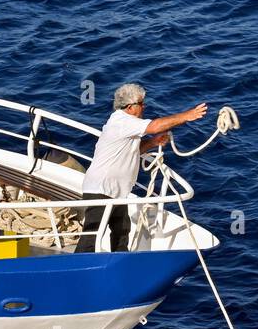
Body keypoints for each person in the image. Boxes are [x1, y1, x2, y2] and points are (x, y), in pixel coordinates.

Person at [74, 83, 207, 253]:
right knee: (91, 235)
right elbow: (155, 126)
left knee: (122, 231)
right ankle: (78, 270)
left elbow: (131, 150)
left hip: (116, 191)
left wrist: (152, 143)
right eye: (141, 104)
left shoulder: (125, 124)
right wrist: (187, 116)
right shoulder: (122, 121)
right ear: (130, 107)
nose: (144, 107)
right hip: (101, 188)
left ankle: (119, 265)